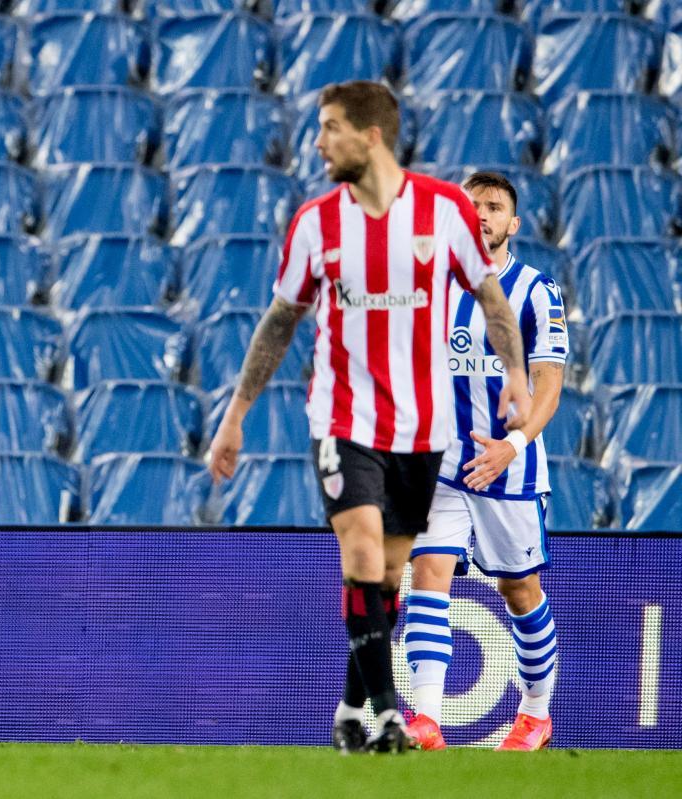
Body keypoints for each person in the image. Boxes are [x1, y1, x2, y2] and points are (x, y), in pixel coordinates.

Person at [208, 81, 532, 754]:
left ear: (372, 136)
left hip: (422, 428)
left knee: (385, 578)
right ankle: (388, 714)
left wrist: (518, 377)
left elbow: (492, 298)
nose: (318, 142)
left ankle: (352, 705)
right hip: (342, 419)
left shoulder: (444, 211)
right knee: (358, 549)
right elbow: (279, 322)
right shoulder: (315, 223)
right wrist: (236, 413)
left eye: (329, 128)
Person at [403, 172, 567, 752]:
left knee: (518, 590)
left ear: (512, 224)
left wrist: (513, 447)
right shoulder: (433, 287)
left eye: (494, 207)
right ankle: (424, 719)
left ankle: (537, 715)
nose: (481, 215)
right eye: (472, 205)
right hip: (441, 462)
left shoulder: (537, 291)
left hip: (509, 466)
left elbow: (550, 386)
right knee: (427, 572)